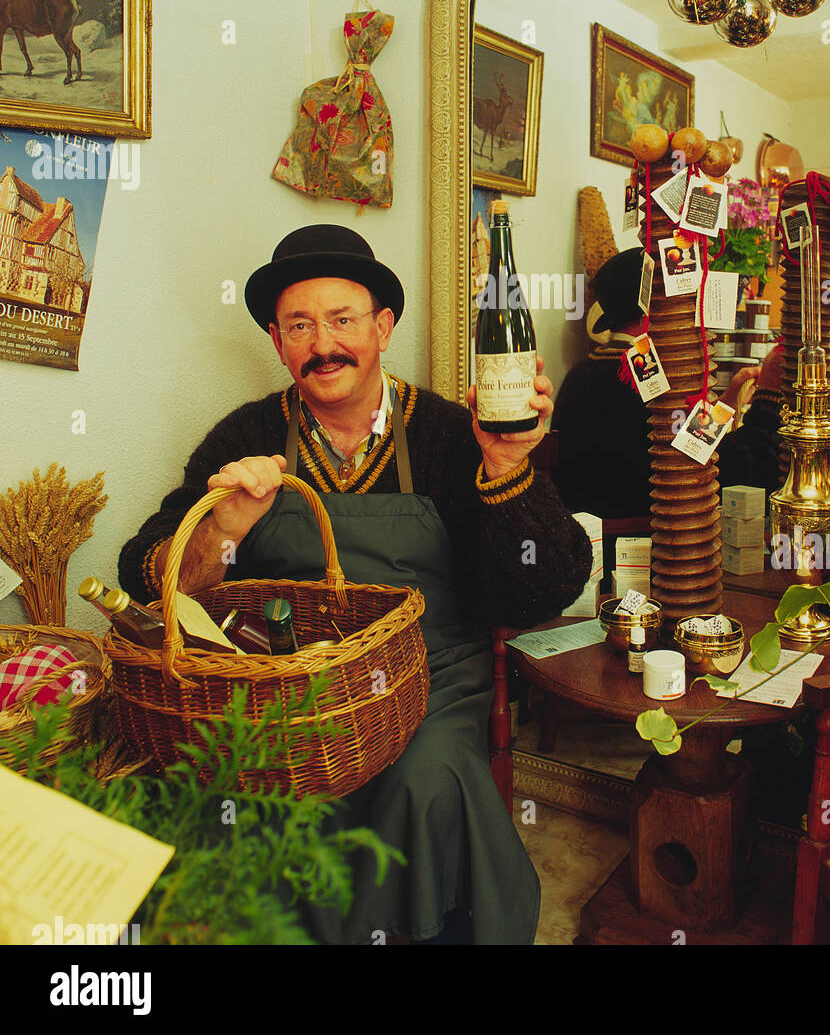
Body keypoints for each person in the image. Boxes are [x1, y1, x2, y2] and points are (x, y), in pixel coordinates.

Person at [117, 224, 592, 946]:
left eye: (342, 320)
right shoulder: (242, 437)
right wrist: (224, 532)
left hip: (428, 678)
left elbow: (544, 587)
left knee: (428, 782)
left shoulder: (448, 433)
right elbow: (145, 574)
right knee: (227, 786)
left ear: (383, 326)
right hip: (281, 685)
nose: (323, 344)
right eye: (300, 326)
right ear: (278, 342)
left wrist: (506, 467)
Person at [551, 248, 787, 518]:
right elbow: (743, 473)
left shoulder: (582, 373)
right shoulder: (653, 381)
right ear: (659, 309)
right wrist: (768, 397)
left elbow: (687, 441)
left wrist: (723, 407)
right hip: (650, 546)